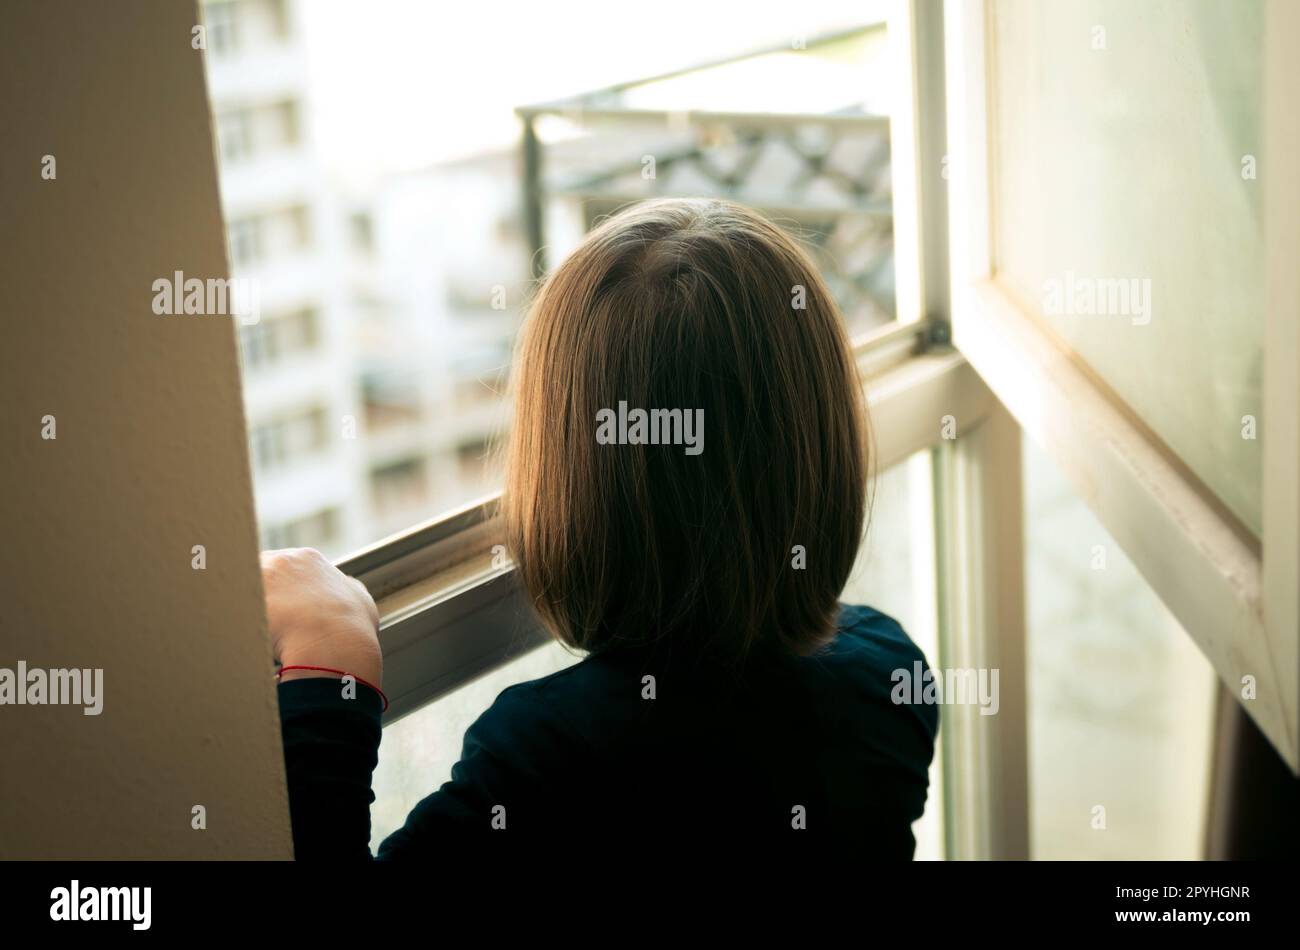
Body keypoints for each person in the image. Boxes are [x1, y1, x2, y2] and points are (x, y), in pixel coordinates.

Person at [266, 198, 938, 857]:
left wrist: (330, 671)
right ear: (819, 451)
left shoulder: (551, 759)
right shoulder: (886, 676)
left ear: (564, 478)